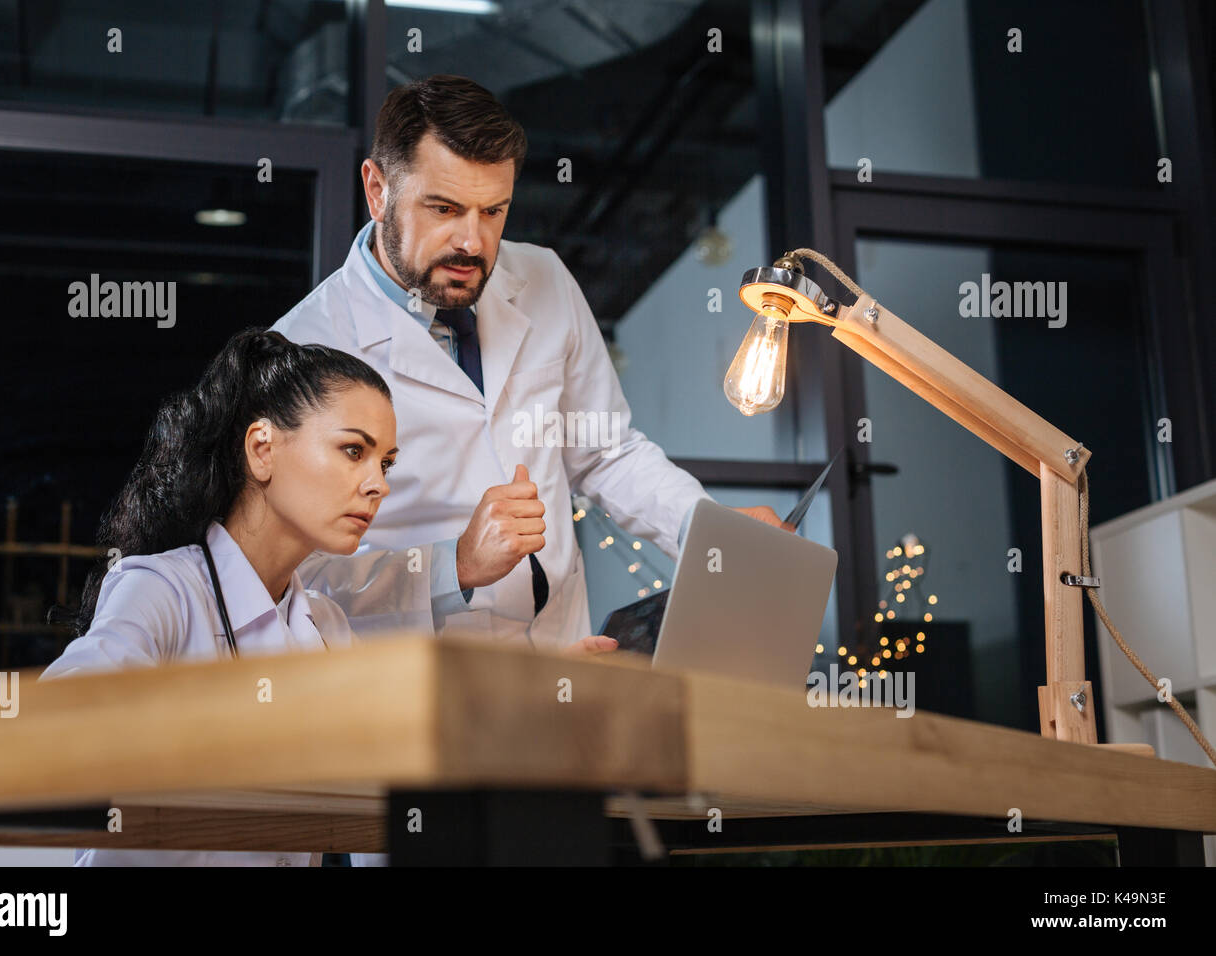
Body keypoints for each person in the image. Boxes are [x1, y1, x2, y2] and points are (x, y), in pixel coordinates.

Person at [272, 74, 793, 650]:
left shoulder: (544, 278)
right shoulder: (300, 350)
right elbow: (295, 580)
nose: (472, 242)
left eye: (493, 211)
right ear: (377, 190)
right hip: (418, 687)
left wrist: (705, 528)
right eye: (444, 208)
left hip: (563, 651)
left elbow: (605, 452)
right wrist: (455, 566)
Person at [40, 327, 583, 866]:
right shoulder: (163, 590)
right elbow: (53, 729)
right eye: (354, 451)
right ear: (262, 450)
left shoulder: (324, 628)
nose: (379, 485)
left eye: (386, 463)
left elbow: (391, 788)